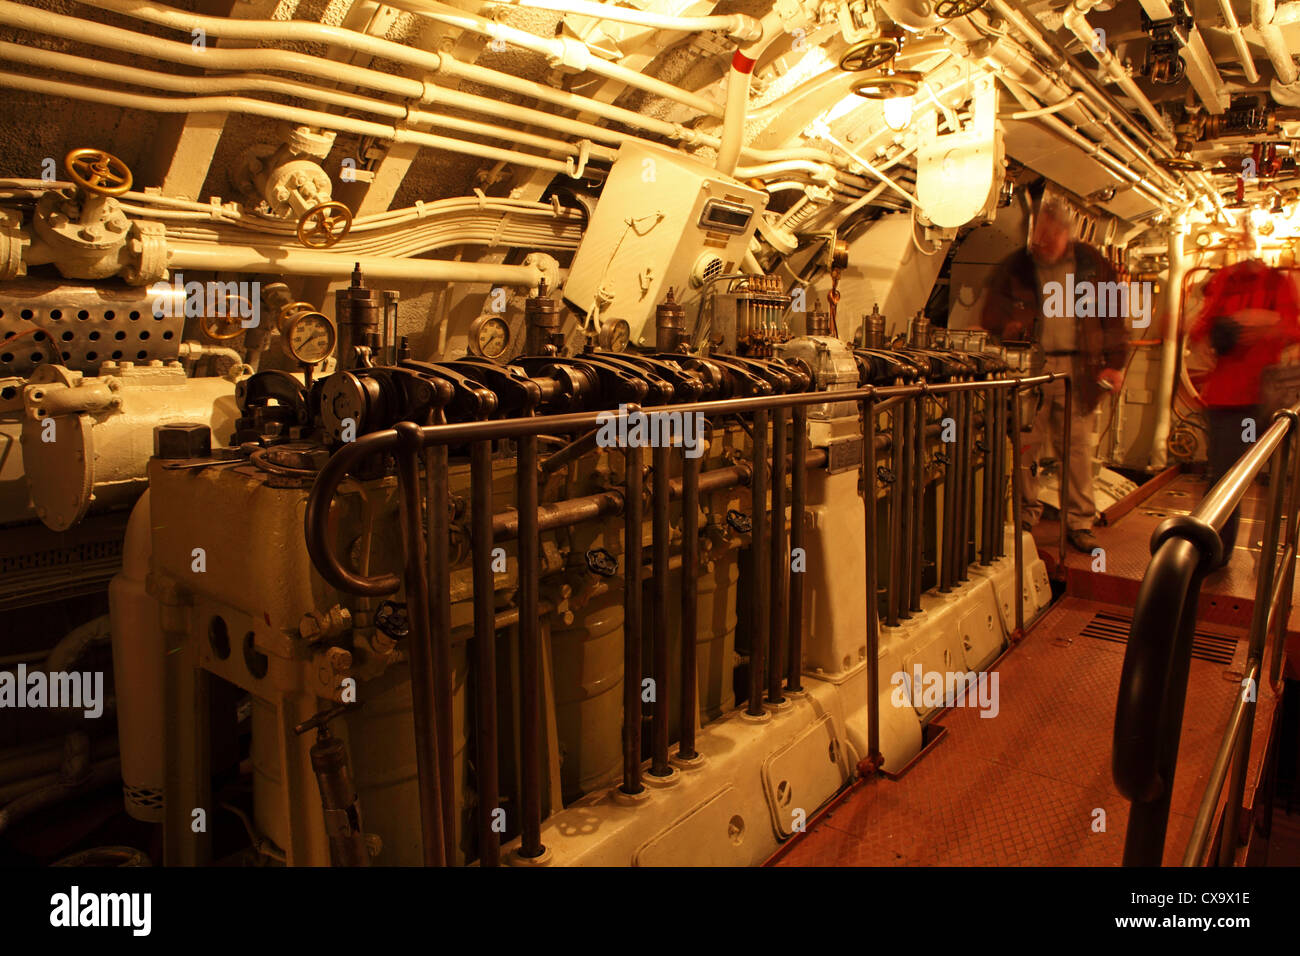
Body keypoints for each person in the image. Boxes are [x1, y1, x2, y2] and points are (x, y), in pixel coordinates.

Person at [980, 182, 1128, 552]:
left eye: (1049, 235)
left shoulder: (1092, 264)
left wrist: (1116, 365)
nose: (1041, 242)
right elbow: (990, 314)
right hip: (1030, 369)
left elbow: (1113, 318)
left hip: (1079, 371)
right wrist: (1007, 327)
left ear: (1066, 234)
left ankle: (1079, 521)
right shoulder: (1017, 266)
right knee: (1026, 447)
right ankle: (1025, 516)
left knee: (1076, 449)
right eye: (1037, 235)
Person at [1187, 255, 1300, 565]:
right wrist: (1228, 330)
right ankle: (1214, 553)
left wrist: (1266, 321)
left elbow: (1293, 329)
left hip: (1265, 398)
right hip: (1228, 400)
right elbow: (1200, 330)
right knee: (1224, 477)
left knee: (1266, 480)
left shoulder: (1277, 282)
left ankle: (1259, 554)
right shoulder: (1225, 280)